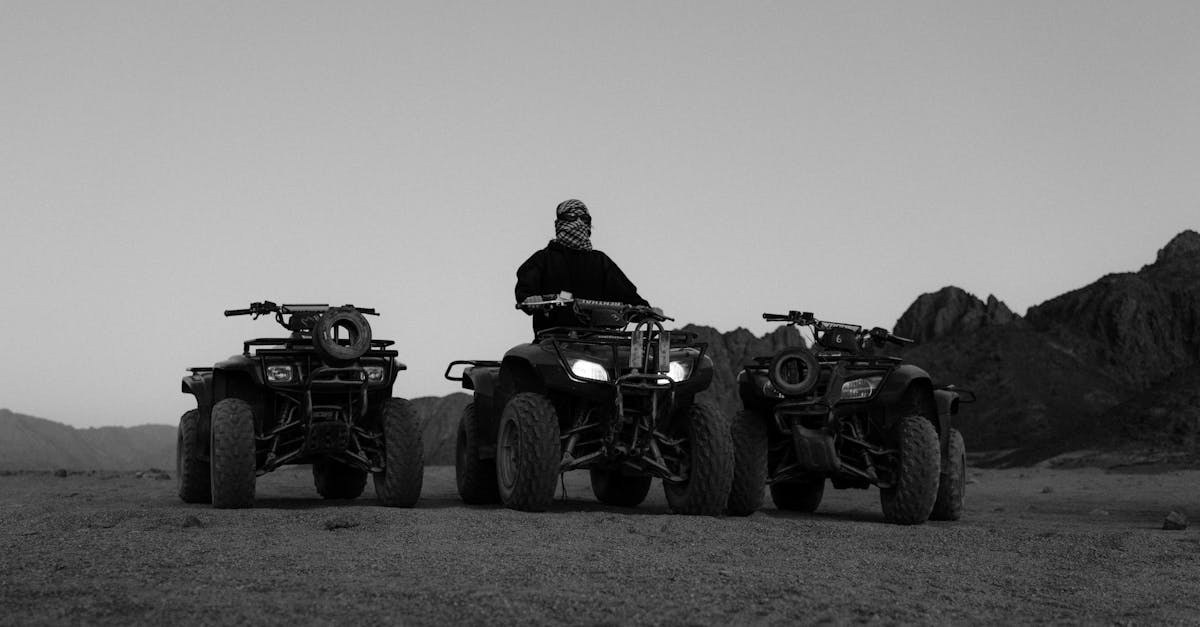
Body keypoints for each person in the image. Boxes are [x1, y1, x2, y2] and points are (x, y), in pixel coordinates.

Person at [515, 199, 650, 333]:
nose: (578, 222)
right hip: (553, 341)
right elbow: (526, 288)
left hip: (597, 342)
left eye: (584, 218)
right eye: (571, 216)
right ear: (559, 222)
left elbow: (625, 293)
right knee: (522, 353)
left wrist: (645, 309)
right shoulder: (543, 259)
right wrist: (530, 299)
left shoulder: (600, 261)